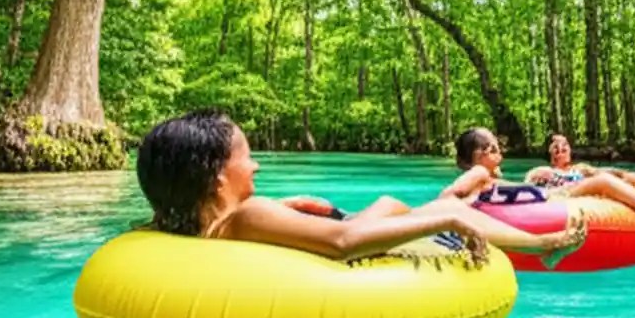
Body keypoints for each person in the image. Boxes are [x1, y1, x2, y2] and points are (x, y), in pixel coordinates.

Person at [136, 110, 586, 268]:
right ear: (217, 178)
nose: (255, 164)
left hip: (314, 229)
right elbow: (343, 243)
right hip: (353, 237)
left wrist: (286, 208)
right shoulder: (245, 217)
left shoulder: (195, 224)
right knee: (408, 204)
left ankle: (537, 244)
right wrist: (446, 218)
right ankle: (543, 244)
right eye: (246, 156)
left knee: (412, 205)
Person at [441, 127, 635, 254]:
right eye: (487, 148)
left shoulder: (489, 176)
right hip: (549, 199)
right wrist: (453, 214)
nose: (495, 152)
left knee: (614, 178)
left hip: (550, 199)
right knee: (607, 182)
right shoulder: (479, 173)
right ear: (470, 159)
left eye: (495, 146)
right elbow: (450, 197)